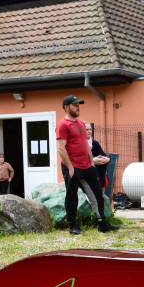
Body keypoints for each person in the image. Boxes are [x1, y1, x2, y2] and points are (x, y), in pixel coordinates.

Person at [55, 94, 116, 234]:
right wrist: (70, 167)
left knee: (97, 194)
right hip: (72, 167)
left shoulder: (81, 123)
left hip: (87, 166)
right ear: (66, 107)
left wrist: (91, 162)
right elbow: (61, 148)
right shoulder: (62, 125)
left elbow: (86, 144)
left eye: (78, 105)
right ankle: (73, 226)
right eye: (75, 105)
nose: (78, 107)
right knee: (72, 197)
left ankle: (102, 223)